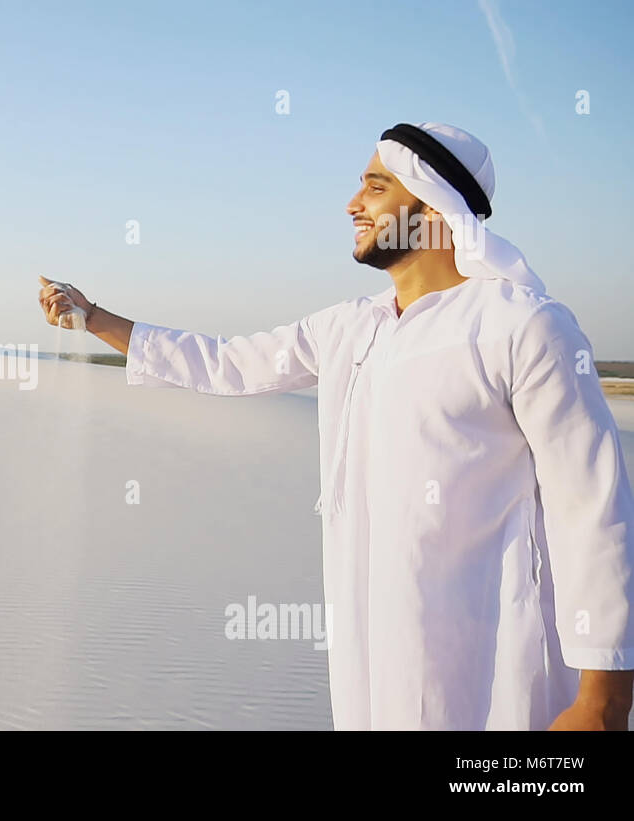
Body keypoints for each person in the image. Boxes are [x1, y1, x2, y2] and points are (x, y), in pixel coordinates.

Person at [38, 122, 634, 730]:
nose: (353, 204)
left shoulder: (525, 327)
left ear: (431, 204)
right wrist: (94, 317)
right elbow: (224, 363)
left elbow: (591, 507)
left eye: (375, 188)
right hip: (373, 657)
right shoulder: (351, 327)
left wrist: (603, 700)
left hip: (500, 666)